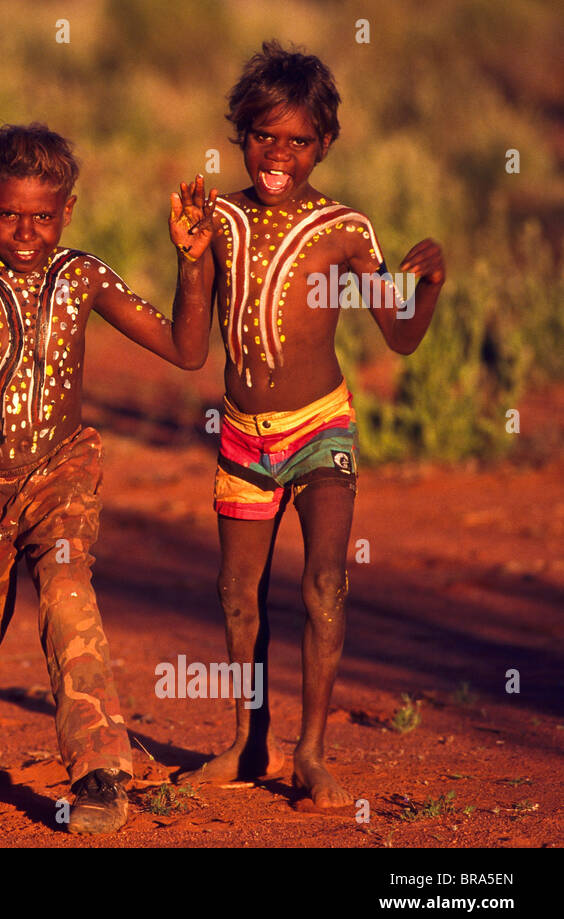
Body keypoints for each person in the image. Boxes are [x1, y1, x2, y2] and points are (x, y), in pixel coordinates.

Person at [0, 123, 212, 833]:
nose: (26, 231)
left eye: (43, 216)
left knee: (69, 594)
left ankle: (101, 771)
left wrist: (193, 264)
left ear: (68, 209)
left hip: (60, 469)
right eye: (9, 213)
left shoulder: (84, 277)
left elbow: (188, 351)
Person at [177, 41, 445, 809]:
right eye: (264, 136)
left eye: (298, 141)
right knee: (238, 592)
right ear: (240, 132)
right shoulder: (218, 219)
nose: (279, 155)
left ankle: (312, 752)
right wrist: (190, 259)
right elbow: (193, 345)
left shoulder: (345, 230)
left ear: (324, 144)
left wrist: (427, 288)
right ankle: (244, 739)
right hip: (240, 435)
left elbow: (397, 333)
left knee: (326, 582)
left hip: (320, 429)